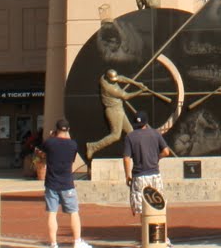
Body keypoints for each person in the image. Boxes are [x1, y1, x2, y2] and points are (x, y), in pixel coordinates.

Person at [41, 119, 91, 248]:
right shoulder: (72, 145)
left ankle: (53, 243)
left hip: (51, 183)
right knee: (74, 212)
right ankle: (77, 241)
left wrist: (52, 135)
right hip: (67, 183)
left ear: (56, 130)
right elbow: (72, 157)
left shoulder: (49, 143)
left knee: (52, 213)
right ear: (68, 130)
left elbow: (43, 147)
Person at [86, 69, 150, 160]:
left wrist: (137, 83)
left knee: (131, 132)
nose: (115, 80)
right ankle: (93, 146)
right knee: (116, 135)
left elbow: (122, 78)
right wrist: (141, 91)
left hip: (119, 109)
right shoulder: (111, 88)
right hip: (114, 111)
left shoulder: (103, 78)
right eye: (113, 79)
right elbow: (126, 96)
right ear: (109, 79)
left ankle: (138, 153)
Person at [122, 112, 172, 214]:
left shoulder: (130, 137)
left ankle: (145, 229)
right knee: (158, 206)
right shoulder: (155, 133)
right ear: (146, 122)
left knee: (141, 209)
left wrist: (127, 176)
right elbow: (166, 151)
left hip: (139, 176)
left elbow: (126, 158)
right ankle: (156, 228)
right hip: (155, 174)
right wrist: (157, 157)